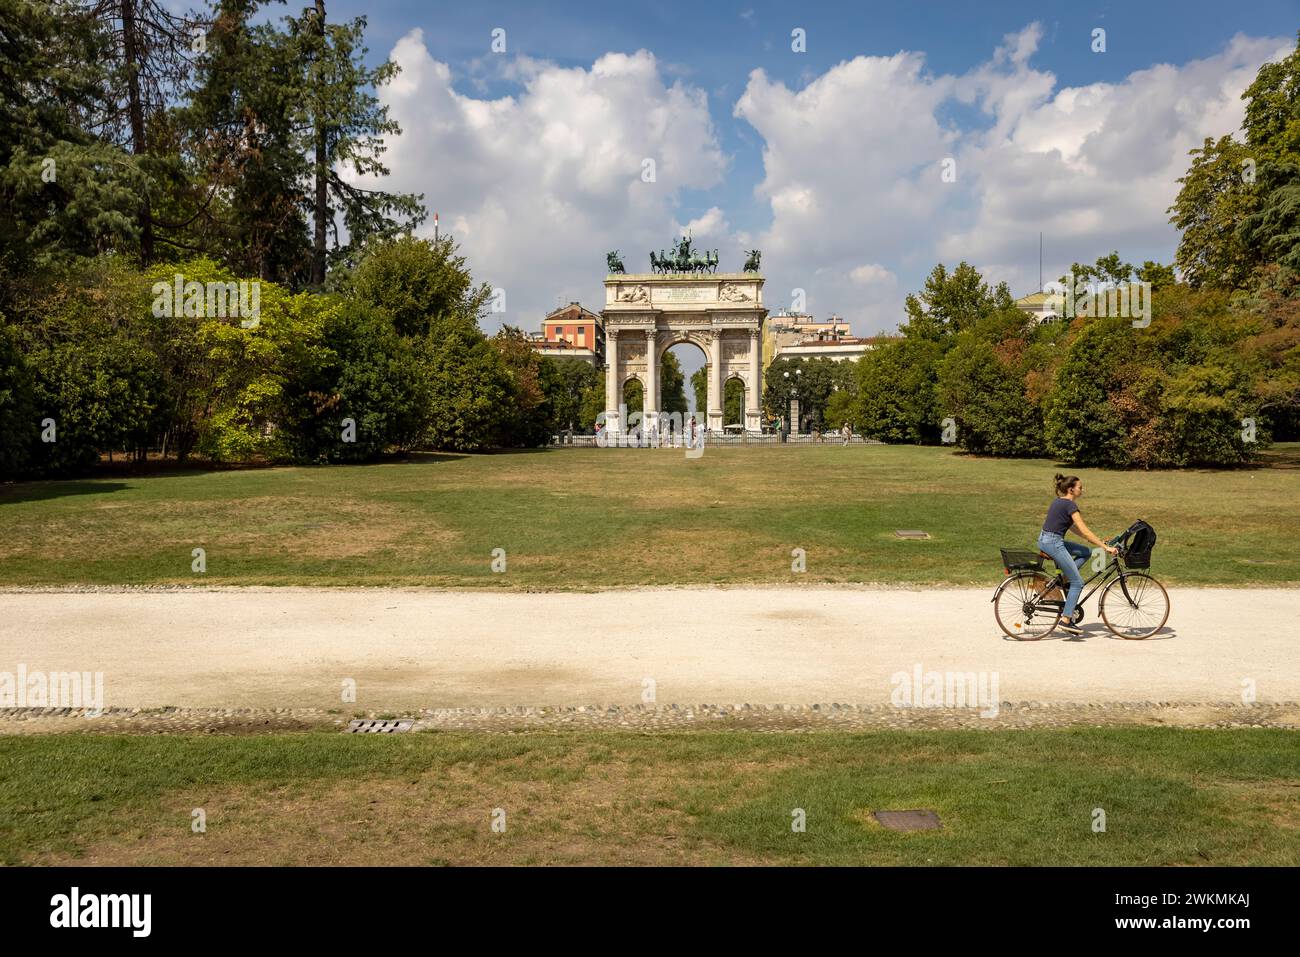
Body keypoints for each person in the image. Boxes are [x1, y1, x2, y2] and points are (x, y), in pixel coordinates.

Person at [1038, 473, 1117, 637]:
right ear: (1071, 489)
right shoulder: (1070, 506)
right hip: (1053, 542)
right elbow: (1085, 530)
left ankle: (1064, 580)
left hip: (1046, 539)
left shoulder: (1059, 501)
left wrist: (1095, 542)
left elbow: (1075, 528)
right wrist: (1104, 547)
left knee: (1085, 552)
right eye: (1080, 487)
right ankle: (1066, 620)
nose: (1082, 489)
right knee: (1078, 583)